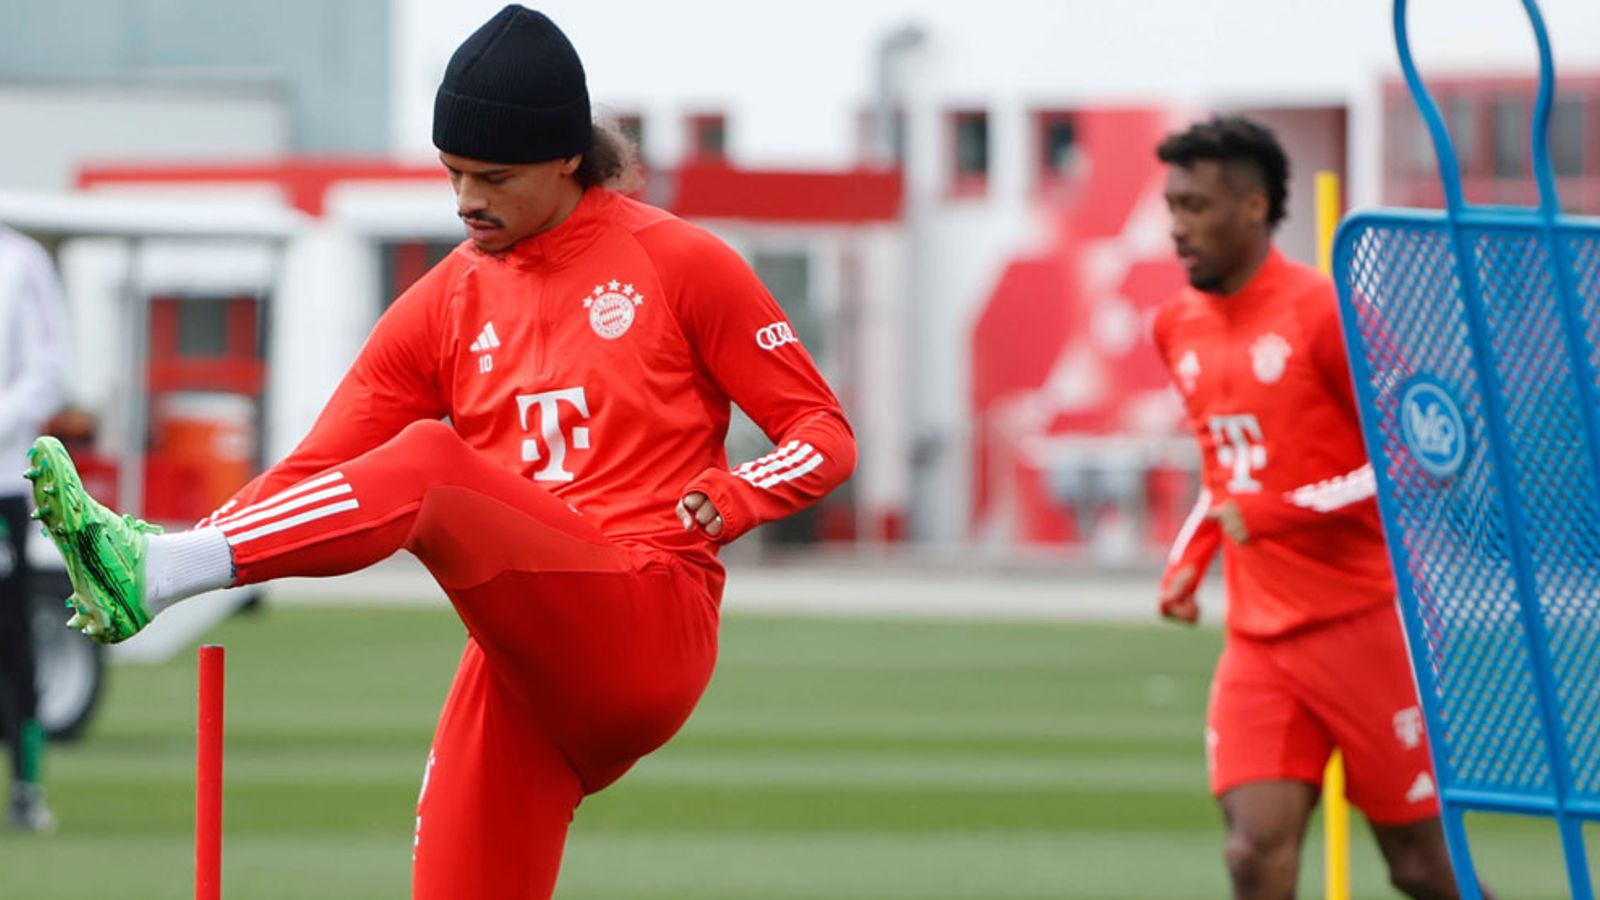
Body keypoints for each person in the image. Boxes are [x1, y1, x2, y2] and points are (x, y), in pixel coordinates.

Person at [27, 6, 853, 896]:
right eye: (451, 173)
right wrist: (196, 559)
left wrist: (736, 493)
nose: (465, 200)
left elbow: (824, 435)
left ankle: (158, 563)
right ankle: (155, 566)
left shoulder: (682, 263)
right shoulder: (448, 297)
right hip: (519, 668)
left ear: (570, 156)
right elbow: (317, 468)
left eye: (492, 176)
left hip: (644, 620)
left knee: (431, 465)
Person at [1151, 116, 1487, 900]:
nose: (1177, 228)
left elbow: (1421, 459)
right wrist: (1188, 561)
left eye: (1195, 206)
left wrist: (1285, 511)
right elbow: (1225, 471)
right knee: (1253, 856)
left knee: (1421, 871)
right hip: (1261, 642)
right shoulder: (1174, 328)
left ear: (1255, 206)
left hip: (1369, 626)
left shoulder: (1325, 313)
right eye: (1172, 206)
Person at [0, 225, 69, 833]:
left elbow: (48, 370)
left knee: (10, 637)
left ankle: (26, 785)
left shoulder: (20, 263)